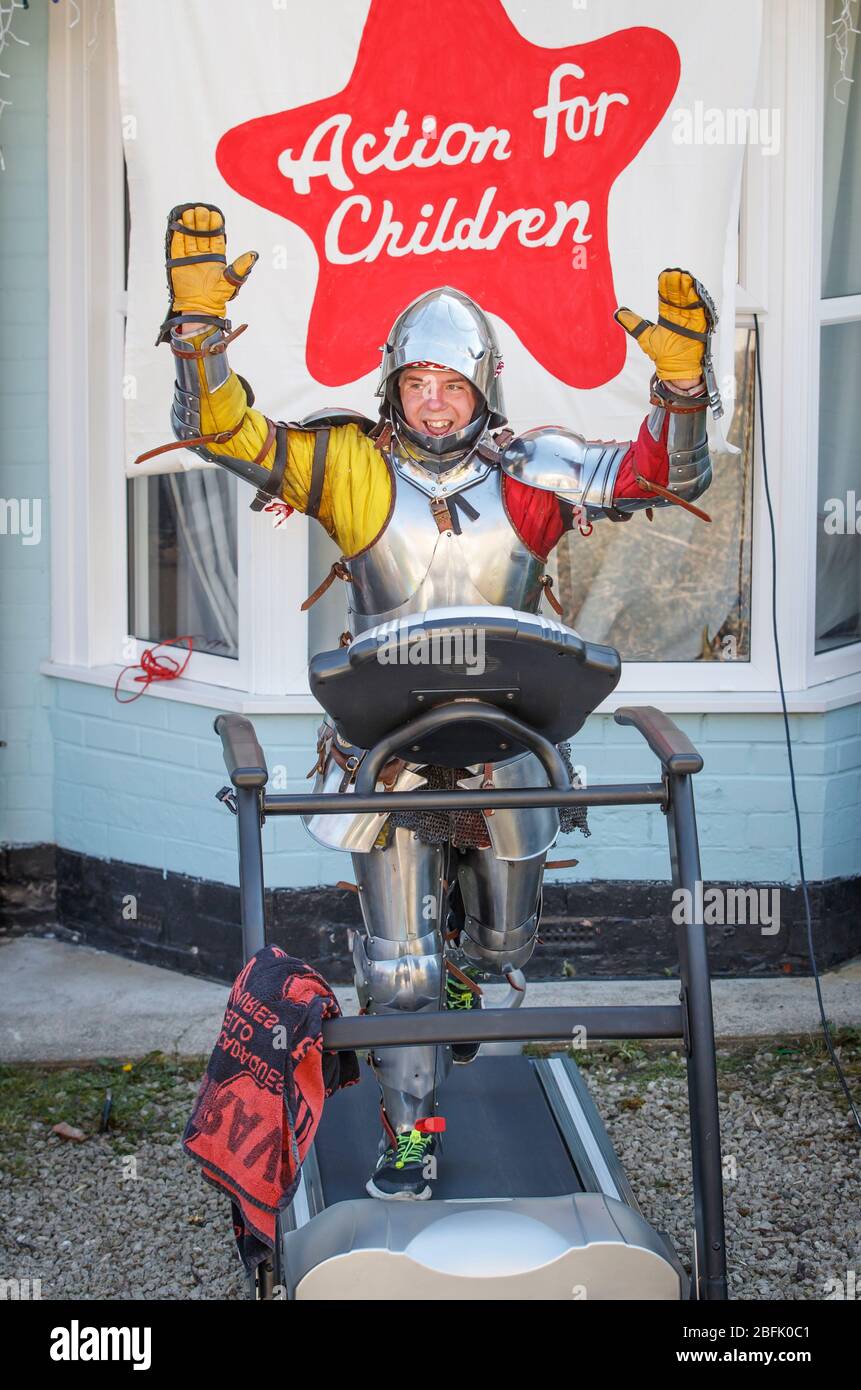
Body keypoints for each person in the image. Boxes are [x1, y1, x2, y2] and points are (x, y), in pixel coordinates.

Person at [150, 202, 717, 1200]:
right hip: (389, 754)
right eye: (418, 379)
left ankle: (474, 967)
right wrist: (197, 337)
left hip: (508, 747)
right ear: (393, 383)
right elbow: (226, 433)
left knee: (507, 943)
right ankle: (410, 1128)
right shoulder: (353, 464)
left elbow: (658, 477)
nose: (436, 400)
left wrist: (680, 389)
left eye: (452, 382)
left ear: (482, 383)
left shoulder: (530, 472)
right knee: (400, 966)